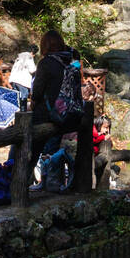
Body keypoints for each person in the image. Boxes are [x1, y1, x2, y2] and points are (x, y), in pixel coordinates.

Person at [29, 30, 81, 174]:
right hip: (65, 113)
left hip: (45, 114)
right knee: (53, 150)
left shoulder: (46, 63)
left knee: (32, 150)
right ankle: (52, 182)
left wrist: (32, 101)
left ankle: (24, 184)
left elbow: (38, 91)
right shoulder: (70, 61)